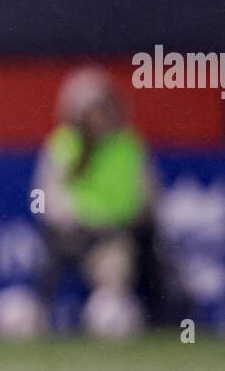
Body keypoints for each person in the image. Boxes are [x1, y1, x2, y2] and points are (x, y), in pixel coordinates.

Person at [33, 66, 178, 335]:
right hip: (72, 236)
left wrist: (117, 223)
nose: (98, 117)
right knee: (46, 258)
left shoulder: (128, 147)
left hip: (115, 235)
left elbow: (149, 199)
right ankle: (36, 312)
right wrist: (74, 220)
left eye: (103, 108)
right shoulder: (64, 145)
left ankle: (117, 312)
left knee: (117, 264)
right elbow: (46, 197)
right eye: (91, 110)